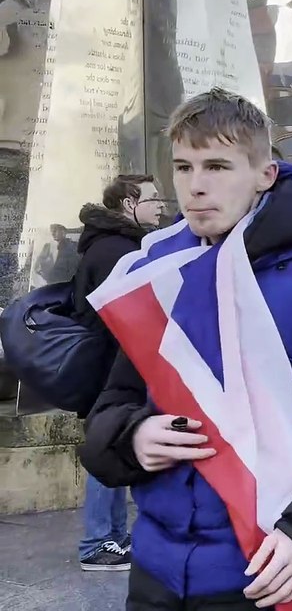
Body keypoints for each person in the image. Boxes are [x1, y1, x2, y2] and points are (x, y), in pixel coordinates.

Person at [80, 88, 292, 609]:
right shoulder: (158, 276)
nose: (196, 186)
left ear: (265, 174)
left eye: (217, 166)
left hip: (269, 572)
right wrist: (132, 437)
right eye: (183, 167)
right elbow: (112, 404)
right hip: (156, 575)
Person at [71, 175, 166, 572]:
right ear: (129, 203)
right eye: (153, 199)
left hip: (107, 365)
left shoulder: (110, 244)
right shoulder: (117, 250)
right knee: (105, 447)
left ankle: (113, 535)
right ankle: (96, 543)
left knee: (109, 442)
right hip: (109, 367)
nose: (161, 206)